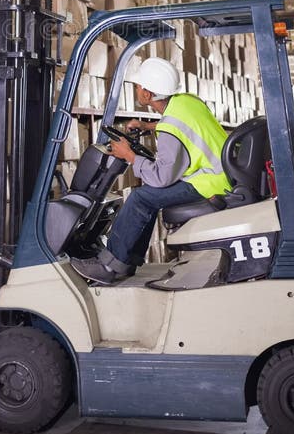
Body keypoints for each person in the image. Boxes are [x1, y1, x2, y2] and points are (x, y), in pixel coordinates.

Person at [71, 57, 230, 285]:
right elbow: (179, 122)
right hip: (222, 173)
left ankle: (110, 265)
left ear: (147, 94)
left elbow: (160, 178)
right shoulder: (187, 101)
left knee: (141, 197)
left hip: (211, 183)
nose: (136, 89)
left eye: (138, 86)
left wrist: (130, 156)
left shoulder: (170, 131)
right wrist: (147, 126)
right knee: (147, 198)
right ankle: (126, 262)